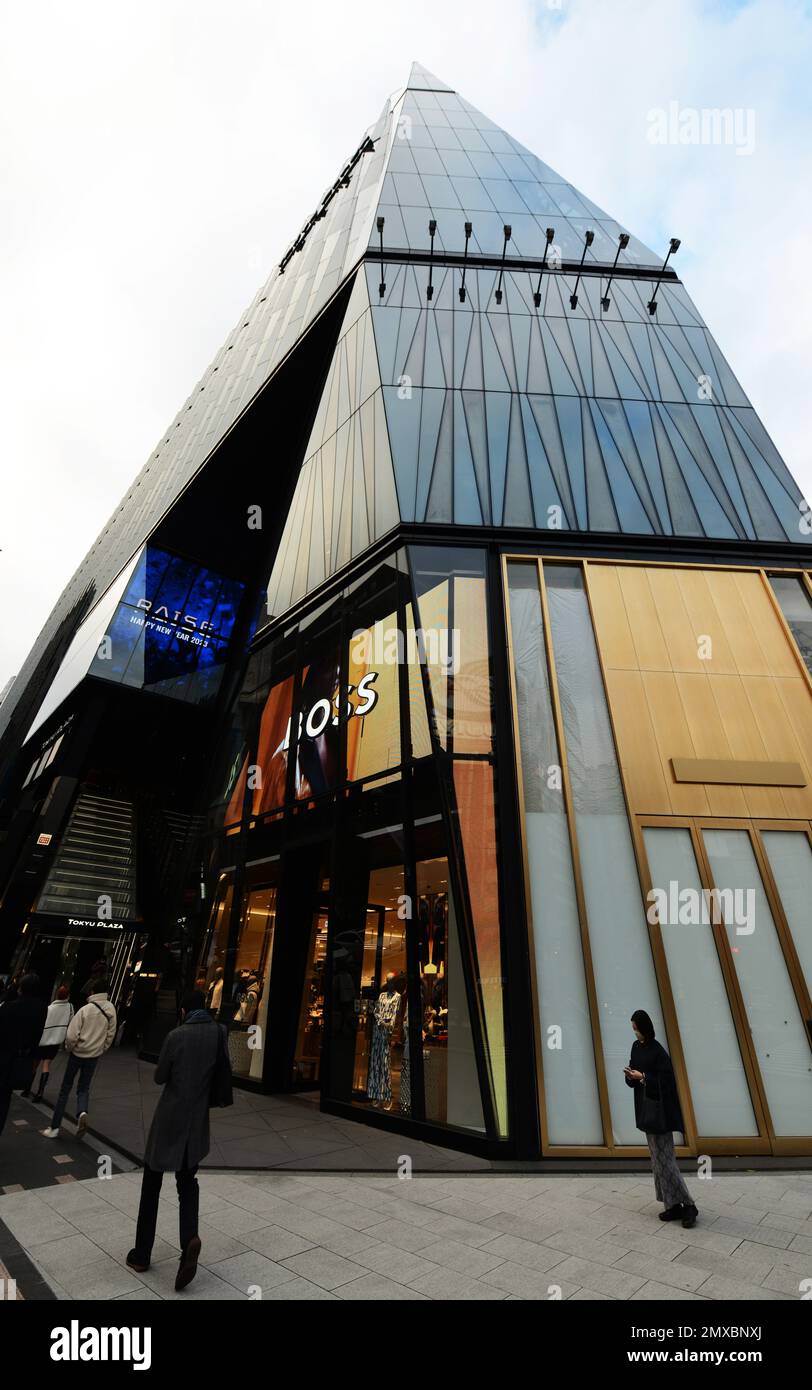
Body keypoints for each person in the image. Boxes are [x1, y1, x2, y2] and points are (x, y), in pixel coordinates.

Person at [126, 989, 225, 1292]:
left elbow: (159, 1077)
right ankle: (189, 1240)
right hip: (196, 1121)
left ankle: (142, 1254)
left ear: (183, 1012)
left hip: (170, 1117)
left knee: (151, 1184)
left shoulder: (176, 1036)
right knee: (187, 1183)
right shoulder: (218, 1033)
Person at [624, 1008, 698, 1229]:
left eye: (636, 1028)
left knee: (666, 1161)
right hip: (647, 1110)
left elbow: (666, 1081)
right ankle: (672, 1204)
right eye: (633, 1028)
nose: (634, 1031)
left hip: (661, 1113)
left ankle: (689, 1204)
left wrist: (644, 1077)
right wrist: (631, 1076)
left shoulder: (658, 1051)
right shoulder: (636, 1048)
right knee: (657, 1161)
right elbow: (634, 1078)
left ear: (643, 1027)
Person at [42, 977, 116, 1139]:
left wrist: (70, 1048)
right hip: (93, 1055)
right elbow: (110, 1034)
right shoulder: (111, 1009)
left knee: (65, 1089)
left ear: (93, 991)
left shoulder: (85, 1009)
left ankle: (54, 1127)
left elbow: (71, 1035)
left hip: (77, 1054)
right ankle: (82, 1112)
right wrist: (101, 1048)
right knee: (84, 1088)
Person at [0, 974, 48, 1137]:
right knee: (5, 1099)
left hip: (4, 1056)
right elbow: (37, 1035)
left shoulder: (8, 1007)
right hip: (22, 1059)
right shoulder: (42, 1009)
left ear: (21, 988)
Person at [25, 986, 74, 1101]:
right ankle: (40, 1093)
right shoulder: (70, 1008)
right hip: (55, 1041)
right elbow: (71, 1022)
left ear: (57, 995)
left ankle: (27, 1089)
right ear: (67, 996)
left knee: (34, 1065)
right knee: (46, 1065)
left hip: (42, 1040)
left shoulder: (49, 1008)